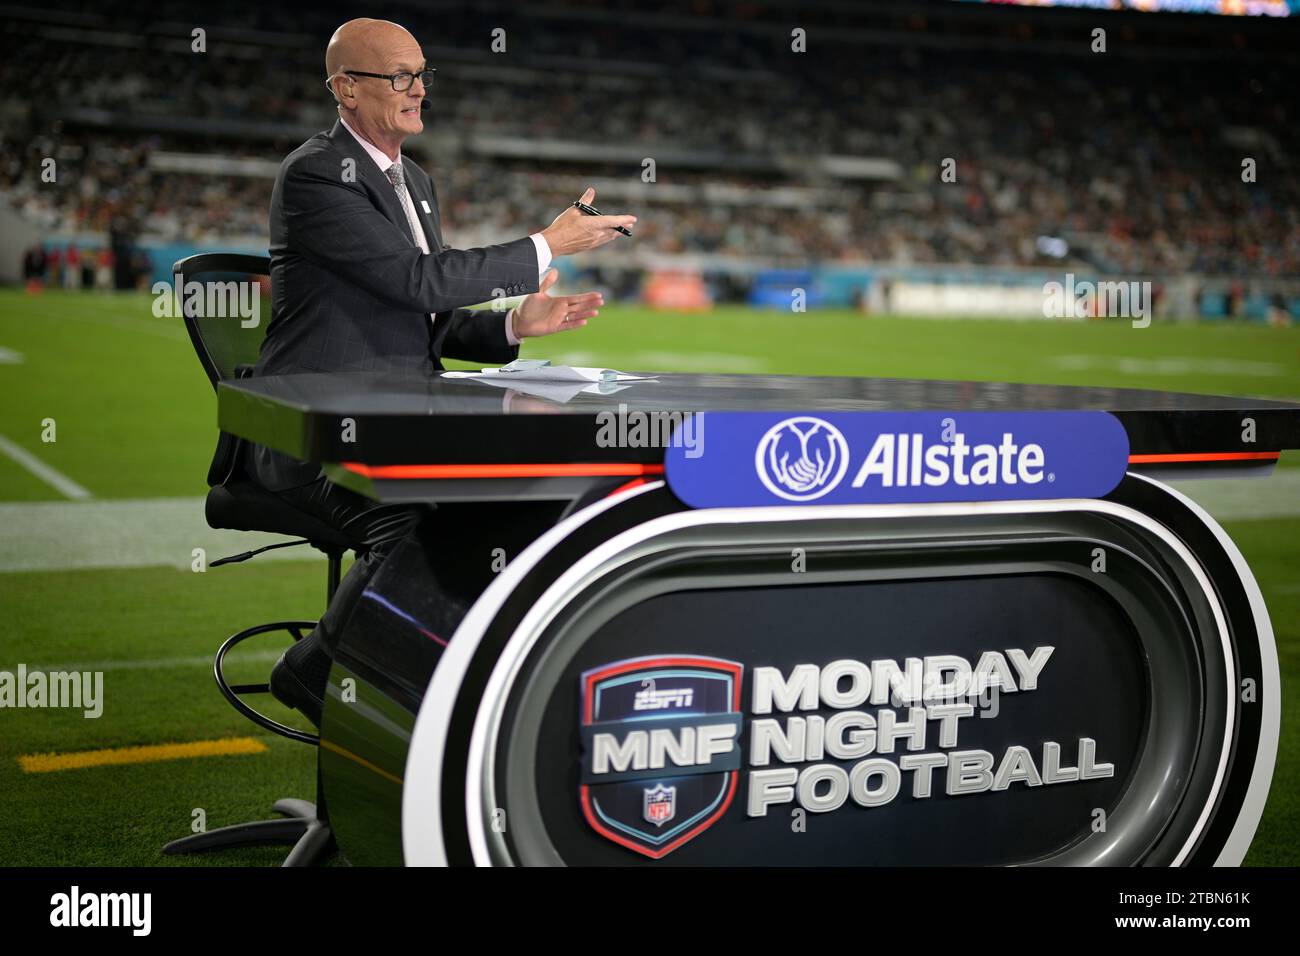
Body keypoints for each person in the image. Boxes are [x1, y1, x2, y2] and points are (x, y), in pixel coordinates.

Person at [252, 17, 636, 725]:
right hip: (313, 434)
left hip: (396, 425)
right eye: (400, 76)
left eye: (422, 74)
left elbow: (424, 314)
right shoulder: (317, 173)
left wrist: (515, 325)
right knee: (421, 521)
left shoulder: (417, 182)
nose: (418, 89)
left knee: (505, 505)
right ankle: (315, 673)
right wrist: (546, 244)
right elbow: (417, 281)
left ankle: (438, 679)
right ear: (346, 88)